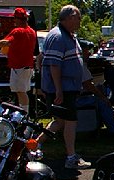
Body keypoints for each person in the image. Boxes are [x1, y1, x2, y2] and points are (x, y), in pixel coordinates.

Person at [38, 5, 91, 169]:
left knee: (60, 122)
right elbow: (54, 65)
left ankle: (33, 145)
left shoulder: (67, 35)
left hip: (67, 87)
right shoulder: (58, 36)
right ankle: (71, 157)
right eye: (78, 18)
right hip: (63, 89)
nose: (80, 22)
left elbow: (40, 58)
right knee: (70, 122)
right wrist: (58, 89)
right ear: (70, 17)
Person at [0, 8, 36, 112]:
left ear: (18, 19)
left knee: (21, 91)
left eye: (14, 19)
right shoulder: (32, 32)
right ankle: (23, 110)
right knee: (22, 91)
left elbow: (6, 43)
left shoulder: (17, 31)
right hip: (27, 66)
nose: (13, 21)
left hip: (19, 67)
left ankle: (24, 113)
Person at [76, 40, 114, 136]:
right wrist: (103, 97)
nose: (89, 54)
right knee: (103, 102)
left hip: (74, 96)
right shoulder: (79, 65)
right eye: (87, 51)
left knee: (101, 91)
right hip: (78, 99)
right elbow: (88, 85)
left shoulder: (72, 63)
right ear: (80, 51)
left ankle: (103, 125)